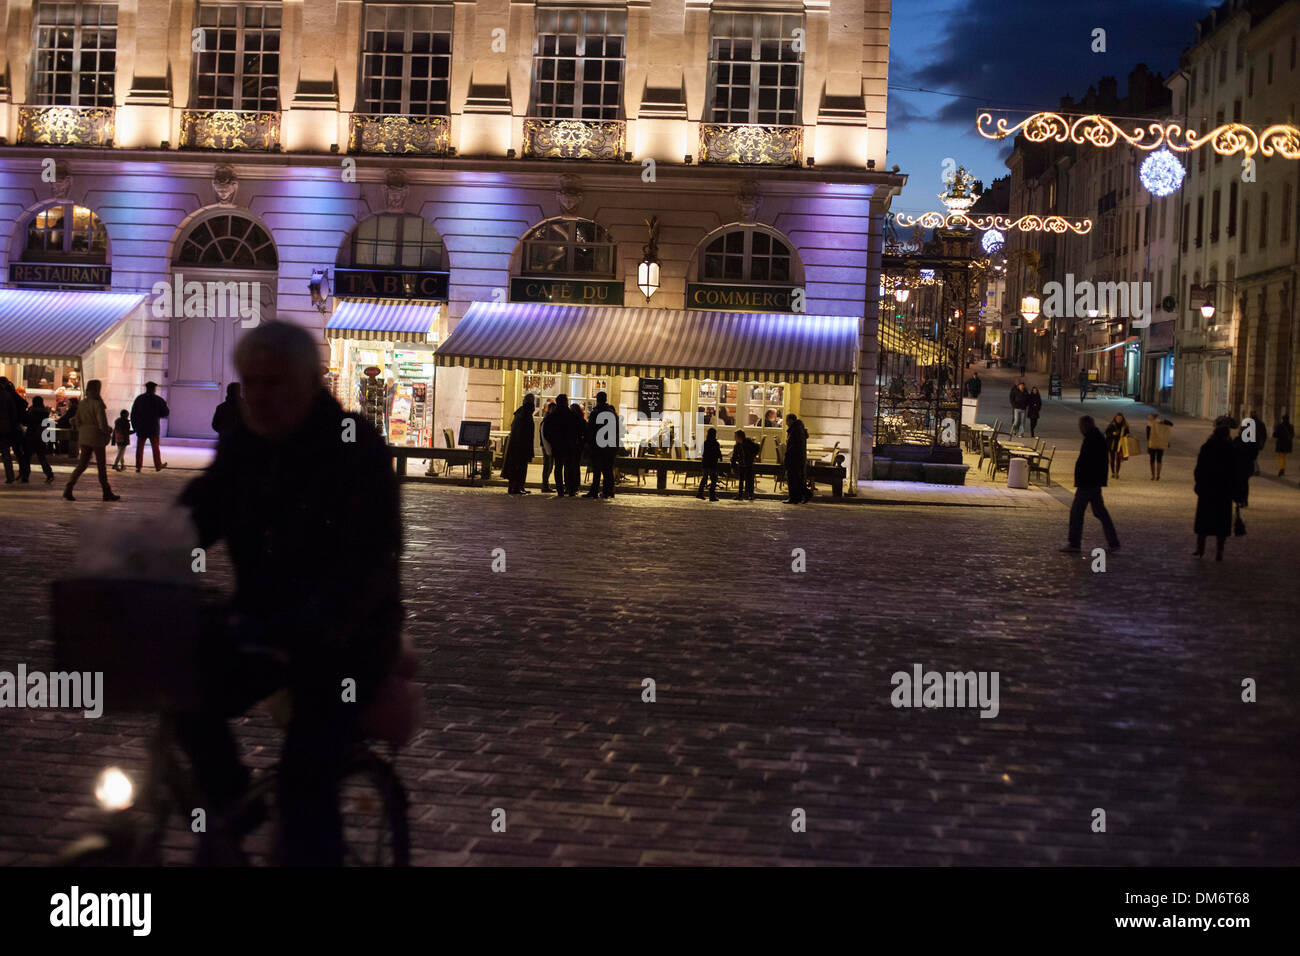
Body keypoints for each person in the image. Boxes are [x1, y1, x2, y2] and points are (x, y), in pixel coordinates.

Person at [176, 320, 404, 866]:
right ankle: (234, 806)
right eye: (250, 382)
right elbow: (197, 514)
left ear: (311, 383)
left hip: (348, 642)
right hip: (263, 625)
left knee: (306, 778)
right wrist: (140, 558)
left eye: (273, 383)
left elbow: (372, 561)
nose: (257, 395)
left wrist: (321, 620)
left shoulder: (356, 450)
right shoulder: (245, 447)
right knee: (184, 691)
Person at [1061, 415, 1120, 554]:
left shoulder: (1092, 439)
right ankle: (1113, 542)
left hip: (1088, 483)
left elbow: (1089, 462)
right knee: (1100, 512)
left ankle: (1074, 543)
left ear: (1085, 426)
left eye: (1080, 426)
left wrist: (1083, 478)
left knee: (1077, 512)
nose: (1079, 429)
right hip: (1093, 482)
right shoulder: (1095, 437)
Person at [62, 379, 119, 502]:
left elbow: (76, 420)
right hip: (96, 437)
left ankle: (69, 487)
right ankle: (106, 491)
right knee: (101, 466)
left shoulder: (82, 403)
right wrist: (108, 431)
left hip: (84, 436)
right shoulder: (97, 404)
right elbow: (102, 423)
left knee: (82, 465)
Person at [1193, 417, 1239, 561]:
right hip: (1224, 492)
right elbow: (1235, 471)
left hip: (1208, 490)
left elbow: (1199, 468)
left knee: (1204, 521)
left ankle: (1200, 548)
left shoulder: (1207, 446)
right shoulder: (1231, 448)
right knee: (1221, 523)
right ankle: (1219, 551)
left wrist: (1199, 484)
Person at [541, 394, 579, 497]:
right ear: (566, 402)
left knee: (558, 467)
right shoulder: (571, 415)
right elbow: (577, 430)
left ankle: (560, 490)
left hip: (557, 445)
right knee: (569, 467)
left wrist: (552, 442)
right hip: (569, 445)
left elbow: (546, 432)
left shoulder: (553, 416)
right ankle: (570, 489)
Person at [582, 391, 618, 499]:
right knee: (608, 470)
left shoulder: (596, 413)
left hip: (598, 446)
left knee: (597, 470)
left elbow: (590, 430)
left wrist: (589, 443)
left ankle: (594, 490)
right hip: (610, 446)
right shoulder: (612, 413)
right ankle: (608, 491)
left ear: (597, 400)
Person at [130, 381, 169, 472]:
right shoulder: (158, 399)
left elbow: (133, 413)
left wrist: (135, 426)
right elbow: (165, 412)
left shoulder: (139, 399)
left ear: (146, 388)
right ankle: (158, 466)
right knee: (155, 448)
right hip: (153, 428)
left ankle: (138, 466)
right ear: (154, 389)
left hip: (141, 427)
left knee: (140, 448)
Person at [501, 393, 535, 495]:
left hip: (516, 445)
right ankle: (517, 487)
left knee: (515, 467)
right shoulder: (526, 414)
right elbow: (525, 432)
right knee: (519, 468)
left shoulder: (520, 412)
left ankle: (514, 487)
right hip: (521, 446)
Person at [22, 396, 55, 483]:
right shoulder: (45, 412)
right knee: (41, 457)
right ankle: (49, 474)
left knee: (27, 457)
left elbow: (26, 421)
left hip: (30, 436)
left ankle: (25, 475)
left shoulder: (31, 411)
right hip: (41, 437)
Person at [0, 378, 24, 484]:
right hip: (5, 428)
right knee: (6, 454)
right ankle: (10, 476)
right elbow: (13, 413)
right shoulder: (7, 396)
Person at [784, 413, 810, 503]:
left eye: (787, 420)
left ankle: (803, 494)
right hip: (798, 458)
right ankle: (797, 497)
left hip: (794, 458)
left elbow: (794, 445)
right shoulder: (798, 429)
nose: (786, 423)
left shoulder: (795, 430)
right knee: (796, 478)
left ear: (791, 420)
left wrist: (788, 456)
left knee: (793, 478)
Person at [731, 429, 758, 501]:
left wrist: (752, 456)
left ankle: (750, 494)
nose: (734, 438)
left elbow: (756, 448)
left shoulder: (748, 442)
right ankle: (740, 495)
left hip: (748, 464)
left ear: (739, 437)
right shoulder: (737, 446)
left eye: (735, 436)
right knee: (741, 480)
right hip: (742, 464)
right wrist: (733, 466)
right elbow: (734, 456)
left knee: (749, 480)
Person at [1145, 412, 1173, 481]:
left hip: (1153, 444)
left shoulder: (1150, 424)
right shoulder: (1159, 423)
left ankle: (1154, 475)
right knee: (1158, 459)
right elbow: (1170, 425)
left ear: (1152, 416)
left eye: (1149, 415)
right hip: (1160, 443)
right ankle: (1157, 475)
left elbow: (1148, 436)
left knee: (1153, 459)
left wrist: (1163, 421)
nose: (1148, 416)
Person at [697, 427, 722, 501]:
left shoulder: (705, 442)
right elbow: (718, 452)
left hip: (705, 462)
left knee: (704, 478)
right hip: (712, 463)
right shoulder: (716, 443)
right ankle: (712, 495)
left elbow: (702, 452)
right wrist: (720, 457)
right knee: (713, 479)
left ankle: (700, 493)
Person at [1104, 413, 1130, 479]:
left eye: (1120, 418)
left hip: (1120, 444)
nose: (1119, 419)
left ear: (1122, 419)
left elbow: (1127, 433)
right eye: (1117, 418)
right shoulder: (1111, 425)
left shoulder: (1124, 426)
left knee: (1118, 459)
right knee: (1112, 459)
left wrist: (1127, 435)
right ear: (1115, 418)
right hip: (1112, 444)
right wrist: (1113, 433)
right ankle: (1113, 472)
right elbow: (1107, 433)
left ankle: (1117, 473)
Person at [539, 401, 557, 493]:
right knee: (548, 466)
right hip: (547, 446)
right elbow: (547, 434)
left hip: (545, 445)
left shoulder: (547, 419)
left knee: (548, 466)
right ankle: (545, 485)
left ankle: (545, 484)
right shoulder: (548, 420)